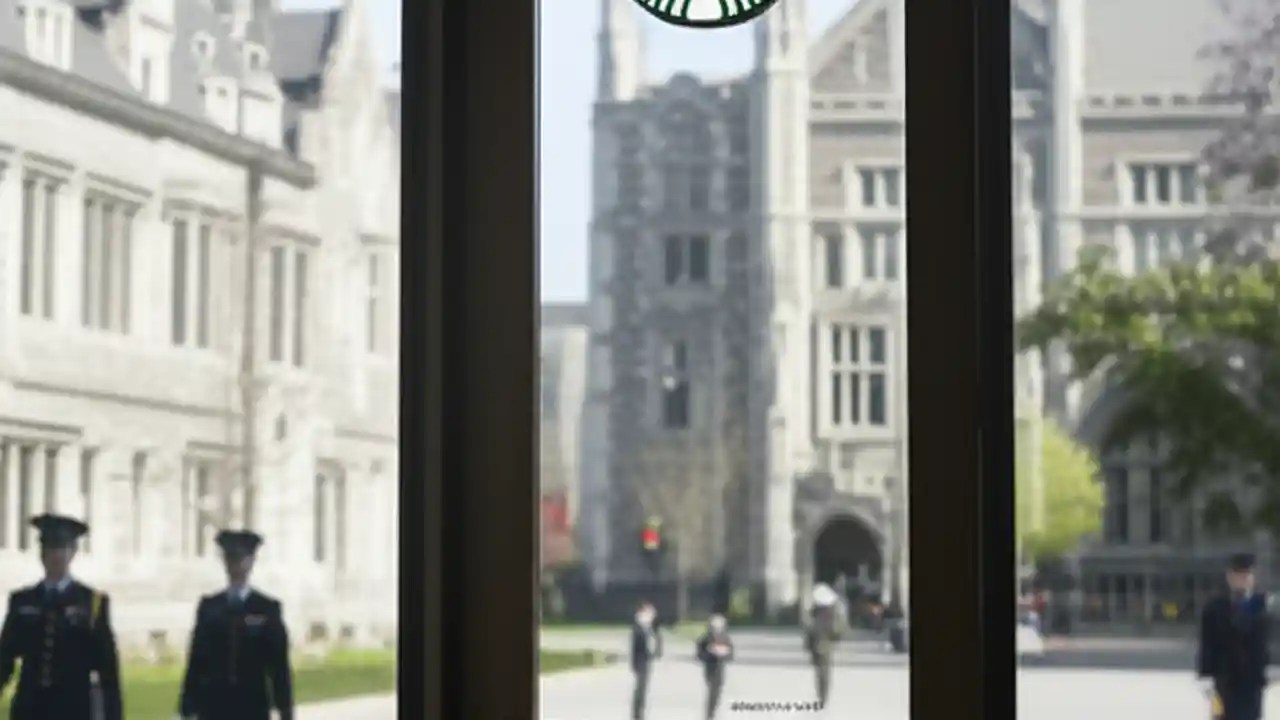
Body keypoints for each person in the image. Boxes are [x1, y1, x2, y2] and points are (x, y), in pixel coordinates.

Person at [0, 514, 123, 720]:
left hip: (74, 708)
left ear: (73, 553)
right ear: (41, 554)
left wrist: (113, 714)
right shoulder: (23, 601)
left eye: (62, 549)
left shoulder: (92, 602)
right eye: (49, 550)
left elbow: (107, 669)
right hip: (30, 708)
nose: (55, 557)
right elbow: (5, 658)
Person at [177, 530, 294, 720]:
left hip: (252, 706)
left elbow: (279, 666)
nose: (236, 566)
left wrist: (285, 711)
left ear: (252, 561)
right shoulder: (210, 607)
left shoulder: (266, 608)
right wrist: (187, 706)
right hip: (214, 706)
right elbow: (197, 660)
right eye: (231, 559)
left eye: (241, 559)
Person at [1197, 552, 1271, 720]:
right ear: (1229, 577)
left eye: (1246, 575)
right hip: (1223, 679)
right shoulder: (1214, 607)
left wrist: (1272, 665)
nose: (1242, 579)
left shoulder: (1262, 605)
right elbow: (1207, 642)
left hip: (1252, 681)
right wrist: (1205, 674)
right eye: (1238, 575)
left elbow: (1270, 639)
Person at [805, 584, 843, 707]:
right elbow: (837, 631)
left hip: (818, 644)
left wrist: (808, 644)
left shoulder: (816, 612)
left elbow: (810, 630)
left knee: (820, 671)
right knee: (823, 671)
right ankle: (822, 696)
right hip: (824, 645)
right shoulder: (831, 613)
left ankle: (822, 696)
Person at [695, 614, 735, 719]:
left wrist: (725, 653)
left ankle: (713, 712)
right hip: (710, 668)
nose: (717, 628)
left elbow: (731, 654)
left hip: (720, 669)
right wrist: (710, 652)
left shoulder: (725, 638)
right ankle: (709, 714)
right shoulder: (705, 638)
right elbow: (699, 655)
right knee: (712, 691)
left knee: (717, 692)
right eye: (715, 626)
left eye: (720, 625)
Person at [629, 601, 662, 720]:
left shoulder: (648, 626)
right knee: (640, 689)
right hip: (640, 662)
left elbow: (656, 637)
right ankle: (637, 714)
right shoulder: (639, 626)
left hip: (646, 661)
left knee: (643, 689)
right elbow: (636, 646)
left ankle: (640, 713)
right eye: (649, 612)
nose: (652, 615)